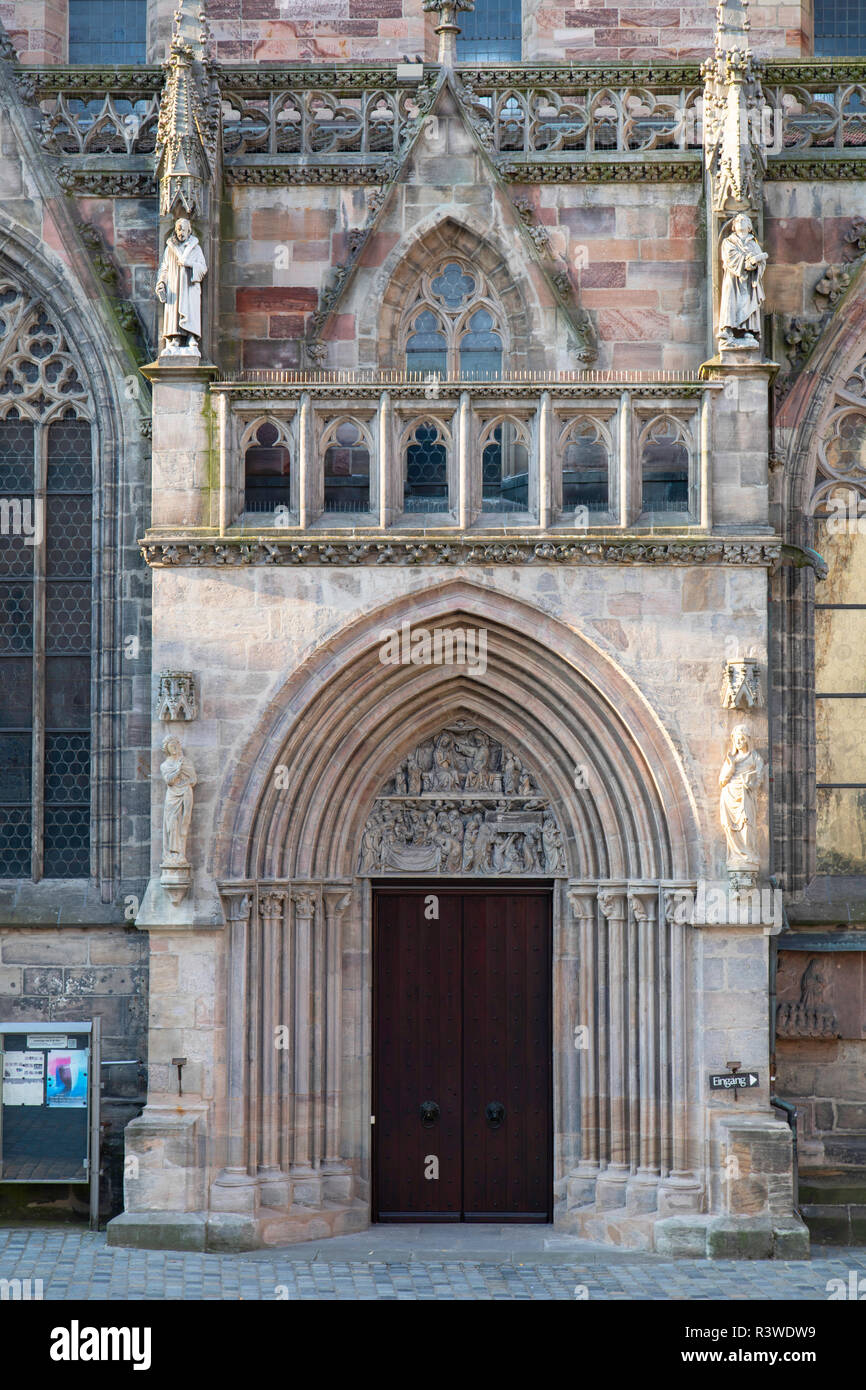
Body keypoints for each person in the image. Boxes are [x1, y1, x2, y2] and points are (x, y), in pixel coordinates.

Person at [156, 217, 208, 353]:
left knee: (190, 311)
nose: (181, 233)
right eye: (178, 230)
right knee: (174, 313)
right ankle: (175, 339)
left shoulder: (195, 249)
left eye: (183, 230)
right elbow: (164, 268)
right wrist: (161, 282)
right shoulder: (170, 249)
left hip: (189, 287)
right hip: (174, 286)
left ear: (189, 231)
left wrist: (188, 263)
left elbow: (203, 268)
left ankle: (191, 337)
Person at [718, 214, 767, 349]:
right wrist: (746, 262)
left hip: (749, 281)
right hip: (733, 278)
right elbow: (730, 257)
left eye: (744, 220)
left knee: (749, 301)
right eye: (738, 220)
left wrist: (755, 264)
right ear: (733, 226)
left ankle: (748, 331)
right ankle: (728, 330)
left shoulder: (753, 243)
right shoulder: (729, 241)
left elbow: (761, 262)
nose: (741, 222)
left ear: (750, 226)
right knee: (730, 300)